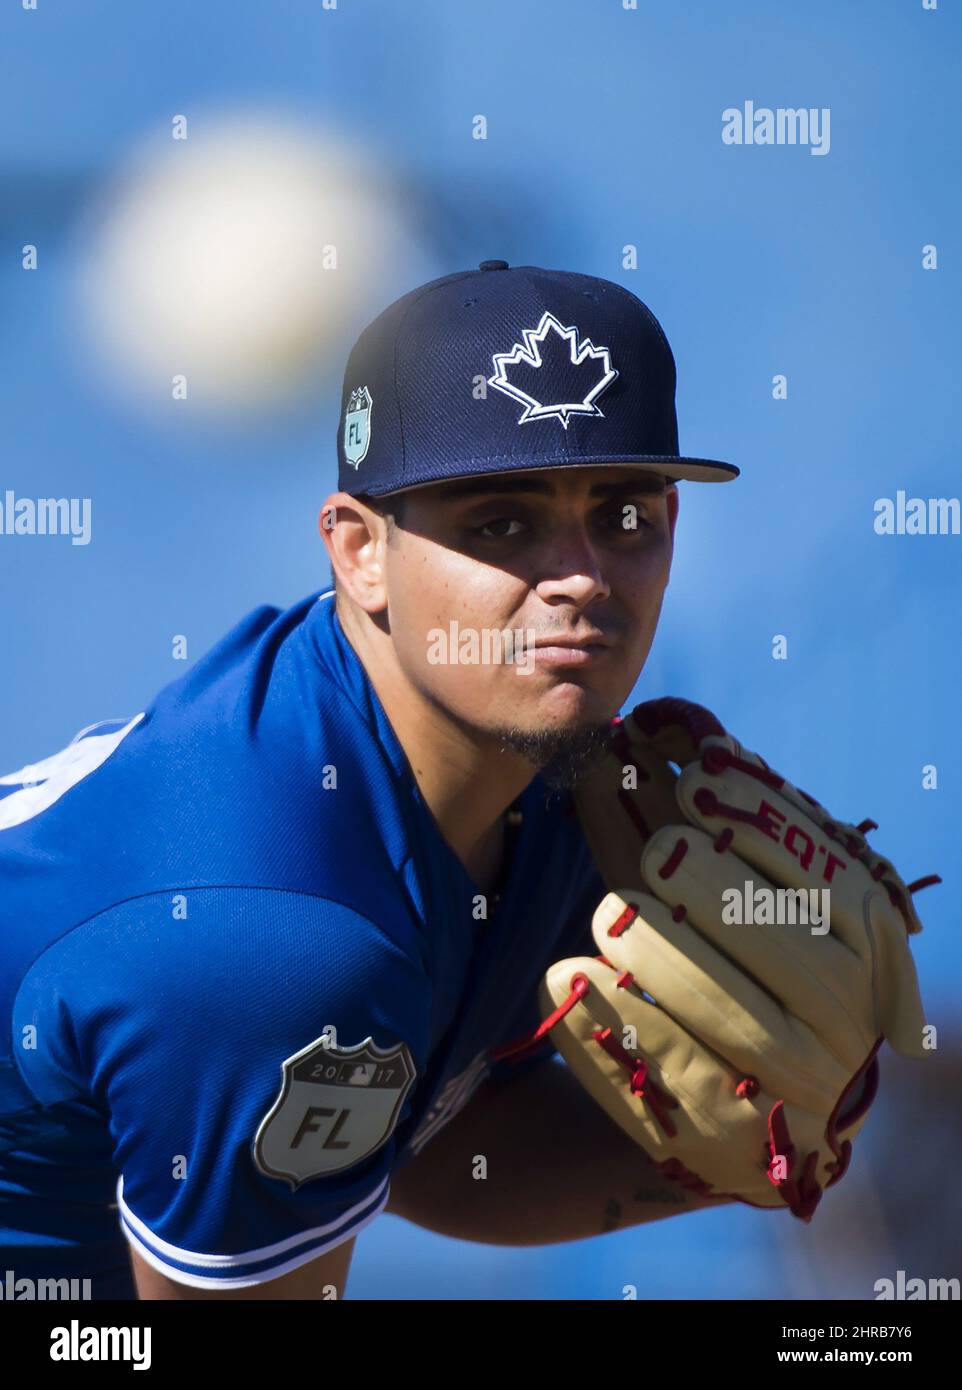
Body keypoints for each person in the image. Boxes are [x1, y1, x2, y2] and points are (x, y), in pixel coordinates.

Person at [0, 262, 738, 1300]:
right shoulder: (273, 929)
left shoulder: (548, 793)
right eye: (500, 520)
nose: (581, 574)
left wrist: (721, 1162)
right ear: (357, 552)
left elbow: (421, 1140)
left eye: (621, 516)